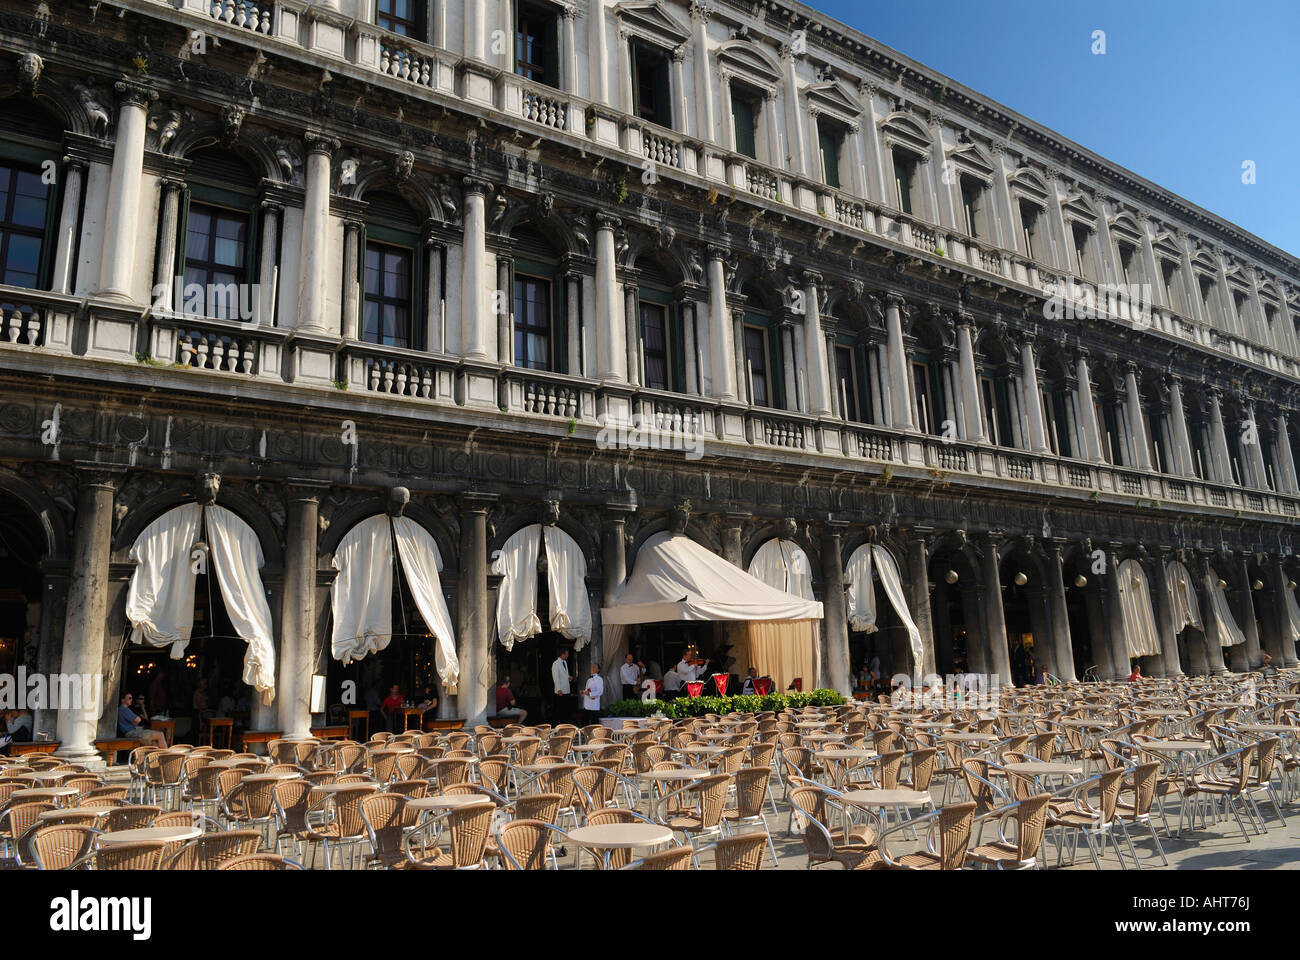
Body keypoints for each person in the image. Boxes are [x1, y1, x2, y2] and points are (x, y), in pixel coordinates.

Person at [550, 649, 571, 723]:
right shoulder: (556, 663)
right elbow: (556, 677)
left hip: (566, 689)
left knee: (566, 708)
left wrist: (569, 677)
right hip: (560, 690)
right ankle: (559, 724)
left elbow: (565, 674)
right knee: (560, 709)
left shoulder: (565, 662)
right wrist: (559, 689)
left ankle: (565, 723)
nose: (568, 655)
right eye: (567, 654)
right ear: (563, 654)